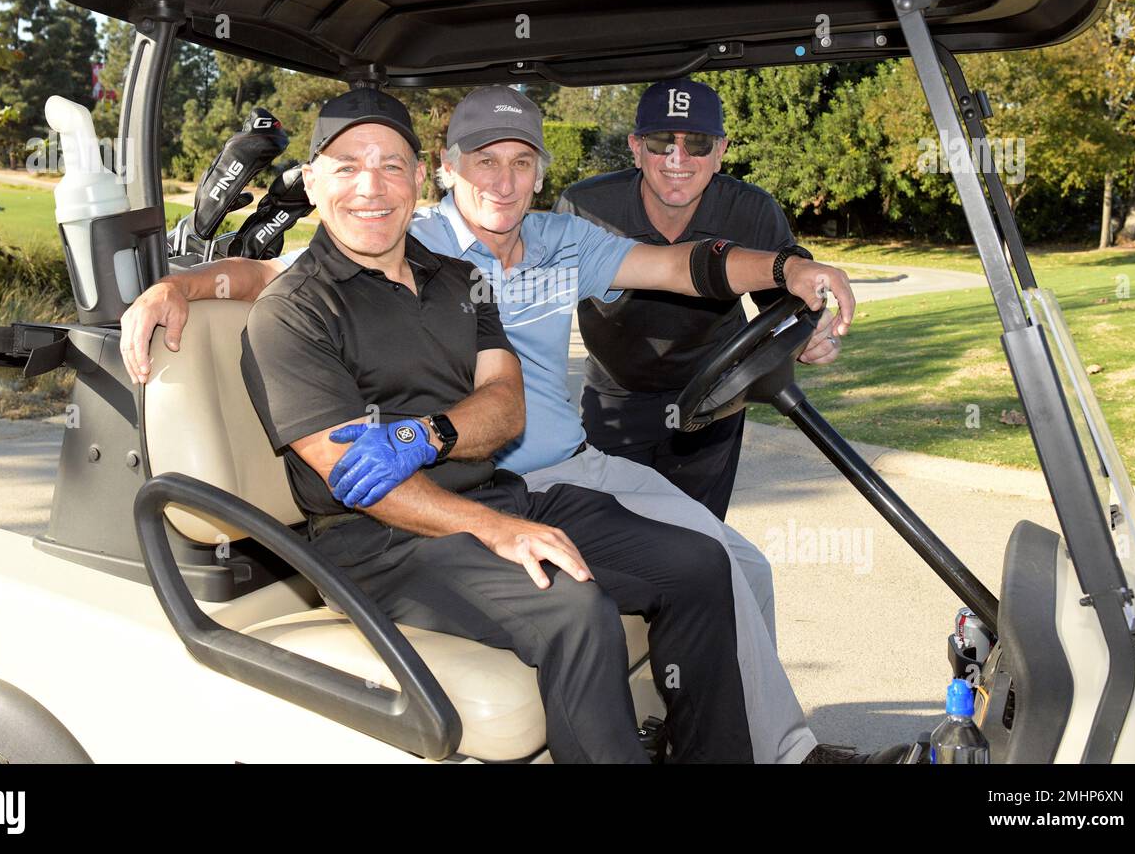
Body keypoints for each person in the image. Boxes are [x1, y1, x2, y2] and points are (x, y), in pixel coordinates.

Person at [121, 86, 903, 765]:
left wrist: (789, 269)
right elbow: (273, 280)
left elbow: (665, 278)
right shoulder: (382, 247)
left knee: (709, 565)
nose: (501, 178)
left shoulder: (473, 272)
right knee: (577, 608)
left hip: (517, 478)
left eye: (520, 161)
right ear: (447, 169)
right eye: (481, 160)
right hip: (400, 527)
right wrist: (178, 283)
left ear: (534, 170)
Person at [239, 87, 752, 763]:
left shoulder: (457, 278)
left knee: (698, 562)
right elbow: (359, 482)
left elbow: (505, 401)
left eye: (391, 165)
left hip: (497, 493)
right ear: (312, 182)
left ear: (419, 178)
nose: (372, 186)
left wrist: (428, 435)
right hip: (383, 544)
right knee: (576, 609)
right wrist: (494, 526)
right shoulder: (295, 313)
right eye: (347, 166)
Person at [554, 78, 840, 521]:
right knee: (610, 540)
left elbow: (786, 312)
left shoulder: (751, 210)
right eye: (660, 141)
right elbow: (541, 312)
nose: (677, 158)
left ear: (721, 150)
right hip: (616, 396)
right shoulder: (587, 207)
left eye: (698, 144)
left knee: (700, 540)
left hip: (712, 395)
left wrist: (814, 338)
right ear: (635, 147)